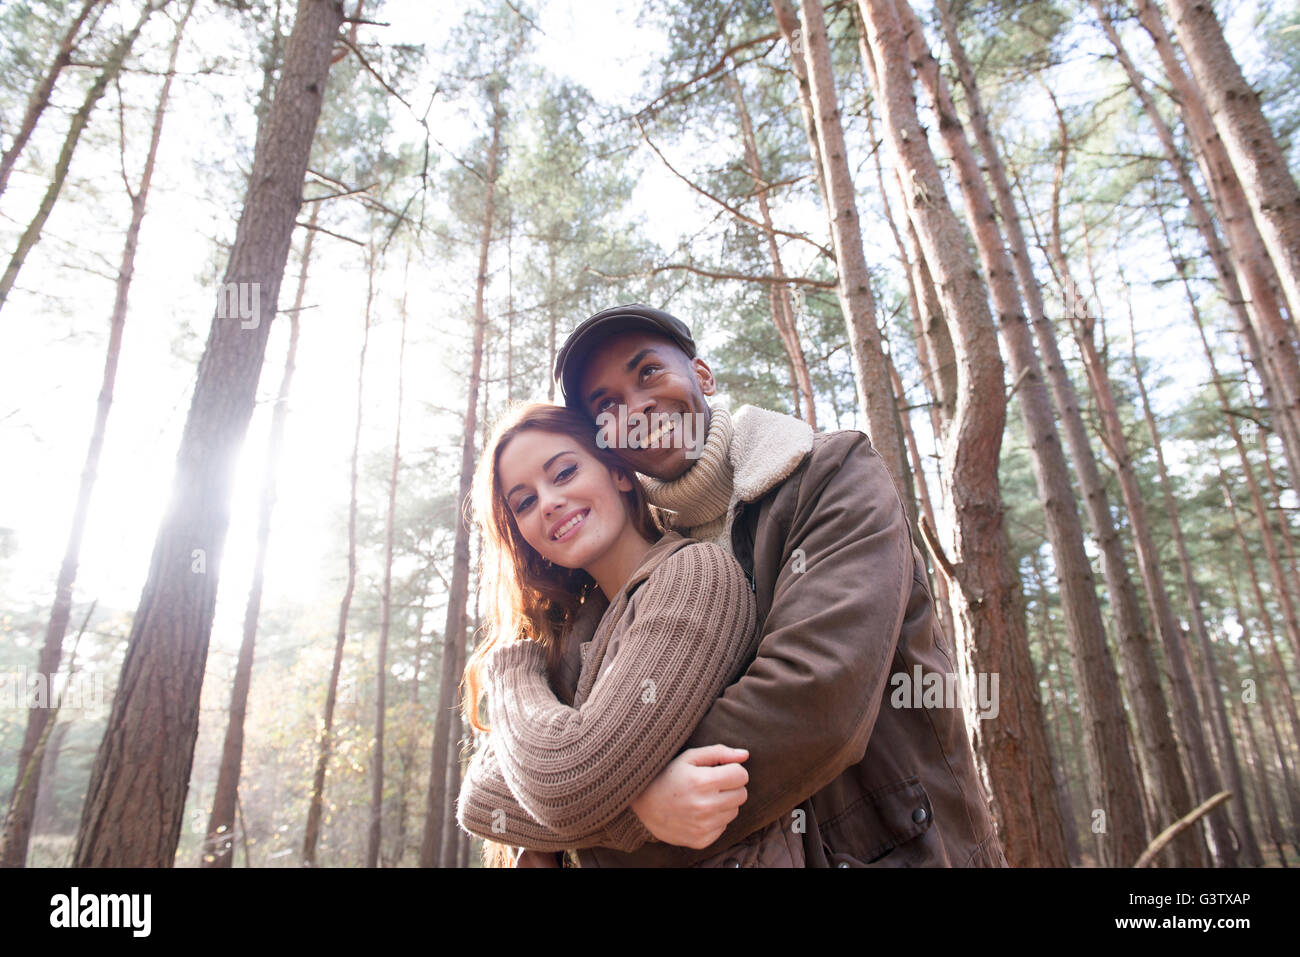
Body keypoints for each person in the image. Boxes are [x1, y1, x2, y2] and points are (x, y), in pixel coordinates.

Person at [537, 303, 1008, 867]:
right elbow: (545, 737)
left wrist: (611, 811)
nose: (635, 407)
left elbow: (816, 694)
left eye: (648, 373)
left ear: (702, 375)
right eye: (607, 405)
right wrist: (615, 800)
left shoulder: (829, 474)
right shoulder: (627, 556)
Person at [455, 402, 806, 867]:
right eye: (524, 502)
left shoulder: (695, 575)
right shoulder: (577, 633)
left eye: (563, 473)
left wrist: (512, 672)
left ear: (619, 473)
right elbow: (480, 798)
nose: (549, 502)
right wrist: (640, 812)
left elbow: (570, 782)